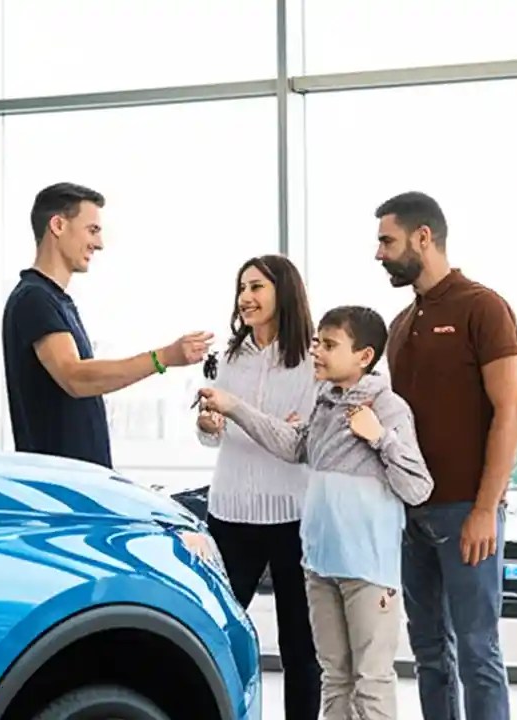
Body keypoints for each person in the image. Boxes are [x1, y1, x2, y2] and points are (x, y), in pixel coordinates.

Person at [198, 305, 434, 720]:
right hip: (321, 565)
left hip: (368, 571)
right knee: (334, 676)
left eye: (329, 345)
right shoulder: (324, 402)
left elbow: (418, 487)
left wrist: (380, 438)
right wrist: (233, 407)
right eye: (316, 343)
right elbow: (293, 445)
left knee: (372, 680)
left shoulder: (388, 407)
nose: (317, 353)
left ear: (364, 356)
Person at [374, 191, 517, 720]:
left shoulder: (482, 307)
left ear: (423, 237)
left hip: (466, 510)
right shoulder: (400, 323)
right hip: (411, 512)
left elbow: (511, 412)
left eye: (386, 241)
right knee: (430, 654)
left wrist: (486, 508)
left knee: (478, 651)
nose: (379, 254)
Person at [1, 182, 212, 468]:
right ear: (58, 225)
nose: (99, 244)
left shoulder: (54, 300)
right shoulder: (35, 299)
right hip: (65, 489)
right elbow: (75, 377)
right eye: (92, 230)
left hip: (79, 483)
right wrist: (164, 357)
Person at [195, 254, 321, 720]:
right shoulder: (230, 356)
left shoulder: (313, 358)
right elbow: (216, 436)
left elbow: (298, 442)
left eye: (257, 288)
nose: (246, 298)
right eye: (242, 288)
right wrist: (211, 422)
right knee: (218, 633)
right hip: (229, 512)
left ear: (283, 292)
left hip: (294, 516)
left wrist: (240, 412)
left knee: (300, 649)